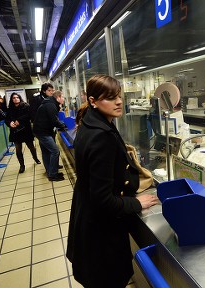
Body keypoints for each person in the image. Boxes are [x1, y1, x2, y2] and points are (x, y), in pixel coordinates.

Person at [66, 75, 159, 287]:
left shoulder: (90, 123)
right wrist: (136, 203)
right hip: (100, 237)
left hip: (87, 225)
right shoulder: (101, 136)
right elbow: (102, 200)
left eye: (118, 96)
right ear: (92, 101)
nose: (118, 101)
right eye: (110, 97)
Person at [32, 89, 67, 181]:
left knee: (46, 151)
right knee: (55, 151)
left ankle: (50, 170)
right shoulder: (51, 105)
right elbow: (54, 120)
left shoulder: (50, 103)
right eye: (63, 97)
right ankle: (52, 175)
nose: (64, 99)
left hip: (41, 130)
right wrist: (63, 125)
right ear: (58, 97)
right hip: (42, 132)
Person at [5, 92, 40, 173]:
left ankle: (35, 158)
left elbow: (29, 115)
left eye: (17, 97)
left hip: (26, 130)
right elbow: (6, 119)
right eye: (13, 98)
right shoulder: (10, 108)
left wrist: (19, 121)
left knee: (31, 146)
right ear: (11, 99)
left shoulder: (26, 106)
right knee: (18, 149)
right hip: (15, 131)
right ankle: (22, 165)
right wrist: (10, 123)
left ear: (19, 98)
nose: (15, 99)